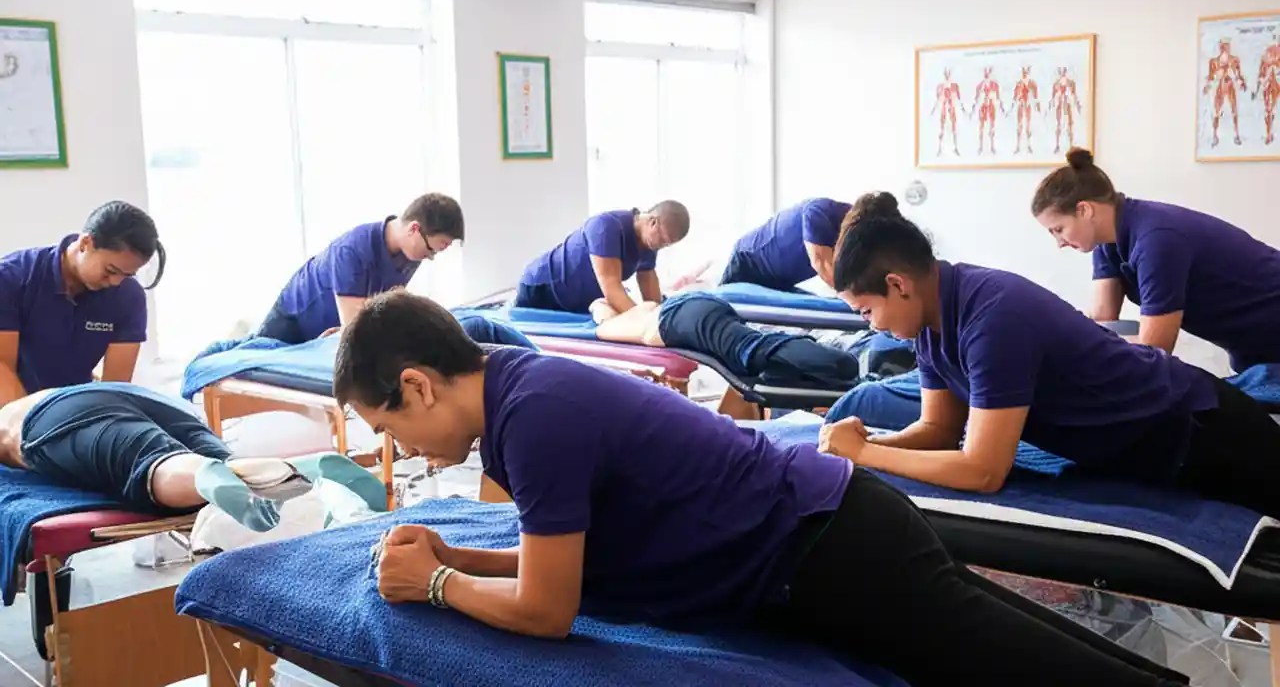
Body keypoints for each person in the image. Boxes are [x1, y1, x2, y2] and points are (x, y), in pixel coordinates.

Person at [333, 291, 1187, 687]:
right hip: (825, 532)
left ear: (416, 386)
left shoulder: (533, 418)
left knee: (1010, 664)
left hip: (829, 545)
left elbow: (548, 610)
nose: (398, 445)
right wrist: (456, 552)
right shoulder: (518, 388)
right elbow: (566, 554)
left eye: (386, 425)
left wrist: (439, 584)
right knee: (999, 640)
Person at [823, 213, 1280, 516]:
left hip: (1203, 431)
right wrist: (877, 442)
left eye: (866, 311)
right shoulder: (929, 325)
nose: (872, 325)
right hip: (1148, 447)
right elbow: (940, 428)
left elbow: (983, 470)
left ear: (897, 284)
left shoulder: (993, 317)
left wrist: (865, 454)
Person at [0, 382, 382, 528]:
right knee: (225, 463)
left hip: (56, 418)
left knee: (149, 463)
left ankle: (208, 474)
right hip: (146, 397)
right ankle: (301, 469)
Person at [1032, 148, 1280, 373]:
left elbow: (1154, 350)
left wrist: (1068, 345)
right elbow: (1103, 319)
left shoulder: (1158, 240)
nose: (1059, 243)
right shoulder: (1108, 240)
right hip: (1252, 347)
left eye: (1058, 229)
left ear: (1085, 210)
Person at [0, 201, 165, 408]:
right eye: (111, 270)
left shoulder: (127, 296)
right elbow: (2, 367)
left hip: (73, 409)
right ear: (86, 243)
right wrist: (28, 427)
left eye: (127, 275)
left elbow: (115, 387)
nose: (115, 282)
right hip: (10, 409)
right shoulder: (11, 278)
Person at [258, 193, 464, 344]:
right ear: (414, 229)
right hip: (292, 321)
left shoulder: (410, 254)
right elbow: (355, 329)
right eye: (431, 250)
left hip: (326, 331)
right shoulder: (353, 251)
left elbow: (383, 308)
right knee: (248, 353)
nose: (430, 257)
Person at [590, 294, 858, 390]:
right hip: (695, 314)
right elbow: (843, 364)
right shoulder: (758, 353)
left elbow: (842, 364)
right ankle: (598, 306)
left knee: (629, 322)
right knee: (606, 330)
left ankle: (601, 307)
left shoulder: (764, 350)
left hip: (698, 313)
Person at [515, 202, 689, 315]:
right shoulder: (606, 227)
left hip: (577, 304)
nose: (662, 246)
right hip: (541, 290)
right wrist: (643, 322)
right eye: (663, 240)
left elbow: (651, 294)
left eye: (667, 245)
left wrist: (660, 317)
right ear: (652, 222)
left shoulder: (650, 243)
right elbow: (612, 289)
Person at [723, 194, 896, 292]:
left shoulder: (859, 235)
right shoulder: (819, 212)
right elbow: (823, 265)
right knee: (721, 310)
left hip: (780, 281)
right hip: (748, 264)